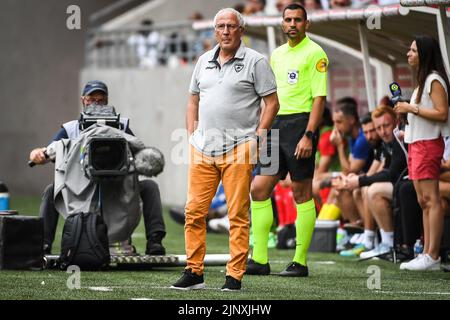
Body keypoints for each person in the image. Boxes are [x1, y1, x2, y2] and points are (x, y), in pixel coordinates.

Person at [170, 8, 279, 291]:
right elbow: (192, 99)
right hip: (203, 148)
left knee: (237, 215)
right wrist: (191, 133)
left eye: (231, 26)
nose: (226, 31)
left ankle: (234, 276)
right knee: (194, 212)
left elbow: (272, 103)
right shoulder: (203, 60)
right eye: (220, 26)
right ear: (215, 31)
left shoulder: (256, 61)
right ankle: (194, 273)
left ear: (241, 30)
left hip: (239, 146)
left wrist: (258, 138)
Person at [29, 80, 166, 256]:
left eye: (100, 100)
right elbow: (46, 151)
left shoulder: (121, 125)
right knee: (51, 191)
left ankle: (155, 241)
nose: (96, 103)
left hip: (118, 184)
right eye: (91, 99)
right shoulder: (71, 129)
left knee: (150, 187)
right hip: (81, 186)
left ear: (107, 100)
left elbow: (137, 152)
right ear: (83, 100)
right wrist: (36, 153)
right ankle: (43, 244)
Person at [247, 3, 327, 277]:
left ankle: (300, 262)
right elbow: (268, 97)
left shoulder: (316, 53)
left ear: (307, 24)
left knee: (301, 192)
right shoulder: (276, 54)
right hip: (275, 127)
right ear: (282, 23)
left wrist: (309, 134)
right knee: (259, 189)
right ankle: (259, 259)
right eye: (288, 19)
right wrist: (261, 130)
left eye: (298, 20)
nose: (292, 24)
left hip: (300, 126)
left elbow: (319, 99)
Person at [394, 35, 450, 271]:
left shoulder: (434, 80)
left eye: (413, 50)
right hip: (416, 144)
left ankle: (433, 255)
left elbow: (442, 113)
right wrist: (407, 113)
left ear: (424, 54)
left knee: (431, 199)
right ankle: (426, 252)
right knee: (422, 200)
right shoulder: (422, 82)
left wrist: (410, 107)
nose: (409, 54)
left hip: (428, 144)